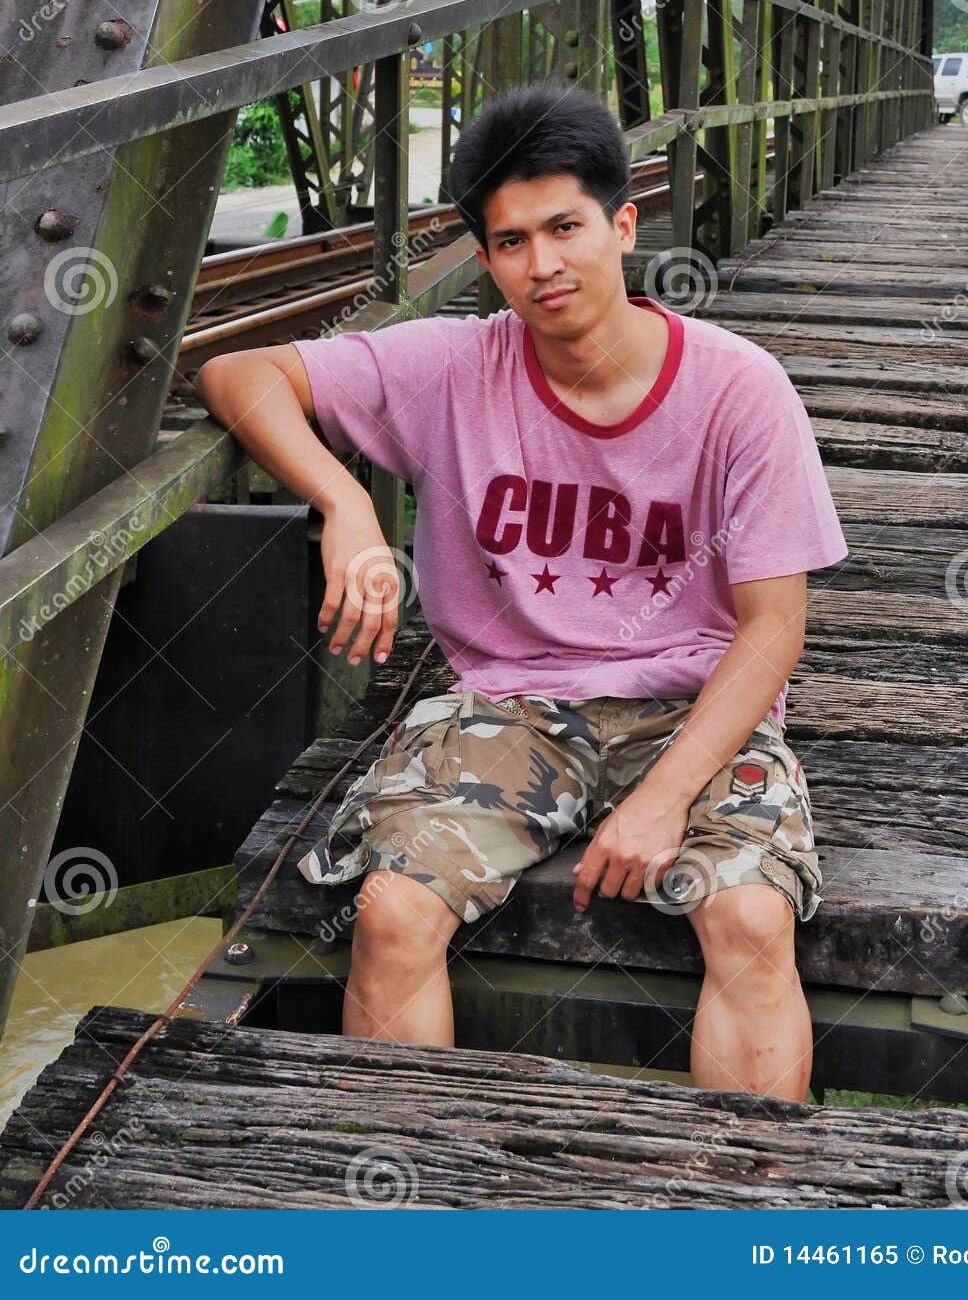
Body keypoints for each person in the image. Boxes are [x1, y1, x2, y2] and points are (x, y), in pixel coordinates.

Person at [195, 82, 848, 1102]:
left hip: (694, 705)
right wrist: (346, 506)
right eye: (508, 243)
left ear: (623, 223)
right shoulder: (451, 368)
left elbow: (772, 630)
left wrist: (661, 797)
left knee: (751, 919)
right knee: (392, 910)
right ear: (486, 258)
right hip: (513, 705)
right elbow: (239, 375)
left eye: (565, 227)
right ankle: (400, 1203)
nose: (542, 266)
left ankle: (749, 1217)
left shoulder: (741, 390)